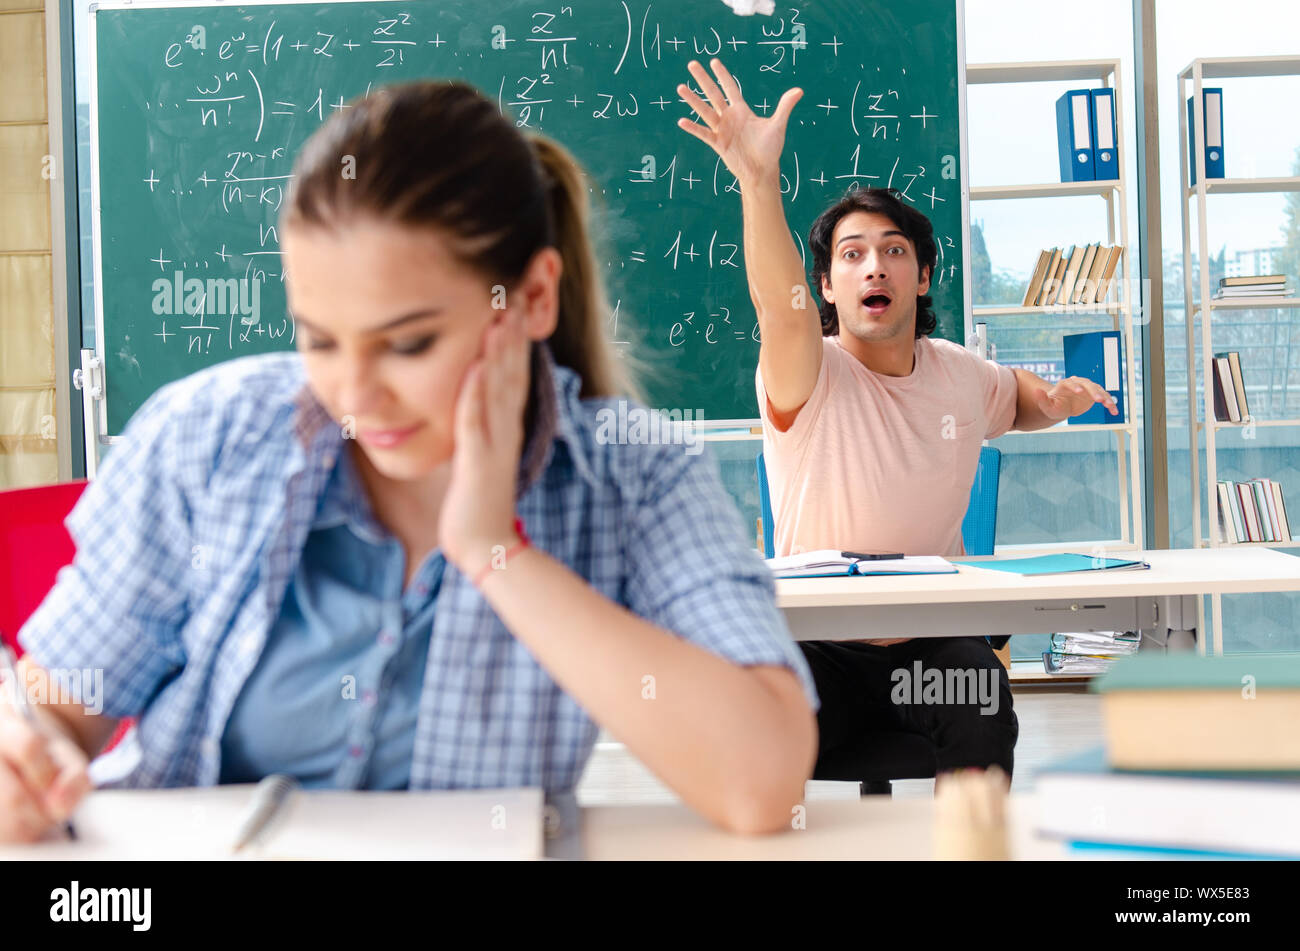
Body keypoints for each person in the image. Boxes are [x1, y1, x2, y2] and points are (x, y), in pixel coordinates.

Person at [0, 80, 819, 843]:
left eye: (409, 343)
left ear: (532, 297)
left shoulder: (637, 476)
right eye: (318, 338)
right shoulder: (204, 436)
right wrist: (23, 750)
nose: (354, 393)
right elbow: (61, 707)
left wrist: (495, 551)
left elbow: (764, 784)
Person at [676, 59, 1118, 779]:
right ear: (825, 284)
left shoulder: (960, 373)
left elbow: (1019, 398)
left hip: (929, 646)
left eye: (892, 252)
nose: (873, 267)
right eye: (851, 256)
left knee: (979, 693)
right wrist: (757, 180)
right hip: (818, 650)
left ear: (923, 275)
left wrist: (1062, 399)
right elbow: (778, 311)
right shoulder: (806, 370)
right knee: (753, 720)